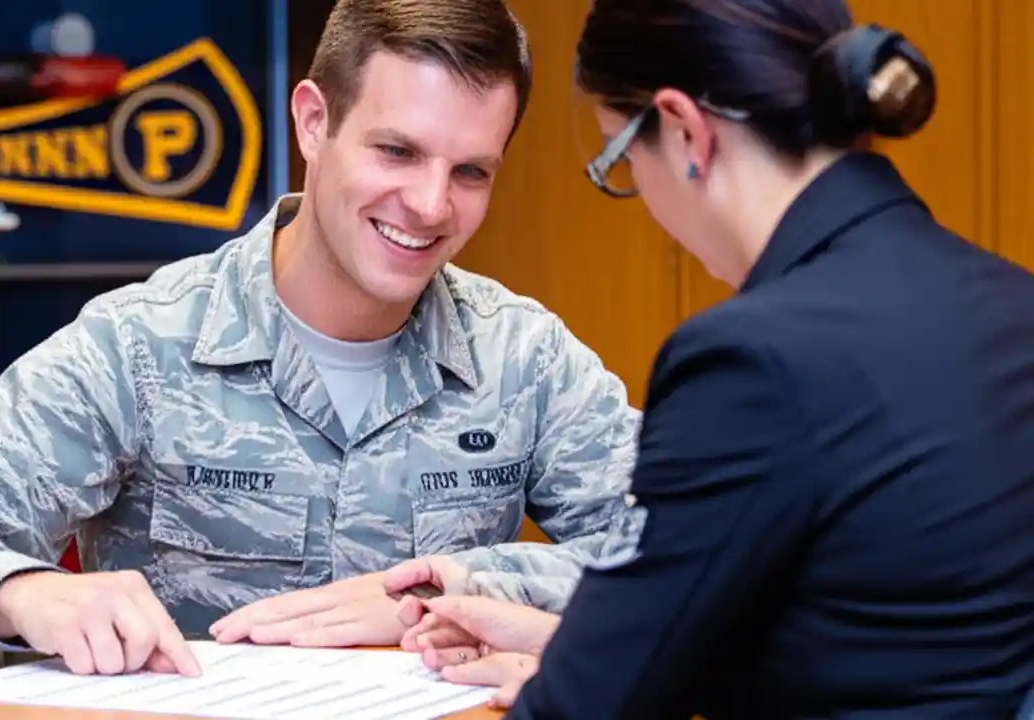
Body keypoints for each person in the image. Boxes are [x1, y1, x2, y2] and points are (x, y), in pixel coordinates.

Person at [0, 0, 647, 679]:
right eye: (397, 151)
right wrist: (24, 590)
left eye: (471, 172)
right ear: (314, 122)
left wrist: (461, 586)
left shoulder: (526, 358)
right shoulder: (141, 346)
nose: (431, 205)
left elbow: (694, 550)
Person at [386, 0, 1034, 717]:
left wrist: (578, 675)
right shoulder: (1011, 304)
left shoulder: (752, 360)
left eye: (620, 158)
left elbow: (584, 708)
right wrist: (566, 640)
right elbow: (875, 637)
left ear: (685, 130)